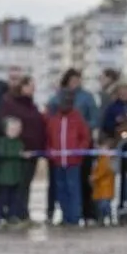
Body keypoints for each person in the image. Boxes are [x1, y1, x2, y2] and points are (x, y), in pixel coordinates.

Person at [0, 76, 47, 223]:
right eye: (30, 86)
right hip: (18, 151)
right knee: (16, 184)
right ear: (22, 87)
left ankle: (23, 212)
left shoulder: (33, 106)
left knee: (26, 184)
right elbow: (6, 125)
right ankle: (14, 213)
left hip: (33, 151)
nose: (33, 89)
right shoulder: (10, 104)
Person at [46, 89, 91, 227]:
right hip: (58, 161)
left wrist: (79, 151)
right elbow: (48, 138)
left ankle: (74, 217)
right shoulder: (54, 119)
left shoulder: (78, 119)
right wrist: (50, 151)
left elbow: (85, 137)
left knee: (73, 190)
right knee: (61, 190)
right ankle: (66, 217)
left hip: (73, 162)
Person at [0, 117, 29, 229]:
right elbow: (2, 153)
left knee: (15, 198)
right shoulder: (2, 141)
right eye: (12, 129)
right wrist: (18, 154)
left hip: (16, 175)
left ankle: (12, 216)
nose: (15, 131)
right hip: (3, 176)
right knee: (2, 198)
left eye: (17, 129)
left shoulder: (19, 143)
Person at [90, 135, 117, 225]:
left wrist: (94, 177)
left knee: (104, 206)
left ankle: (107, 219)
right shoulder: (100, 159)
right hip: (100, 188)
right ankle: (104, 219)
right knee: (101, 205)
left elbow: (103, 170)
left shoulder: (106, 160)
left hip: (105, 188)